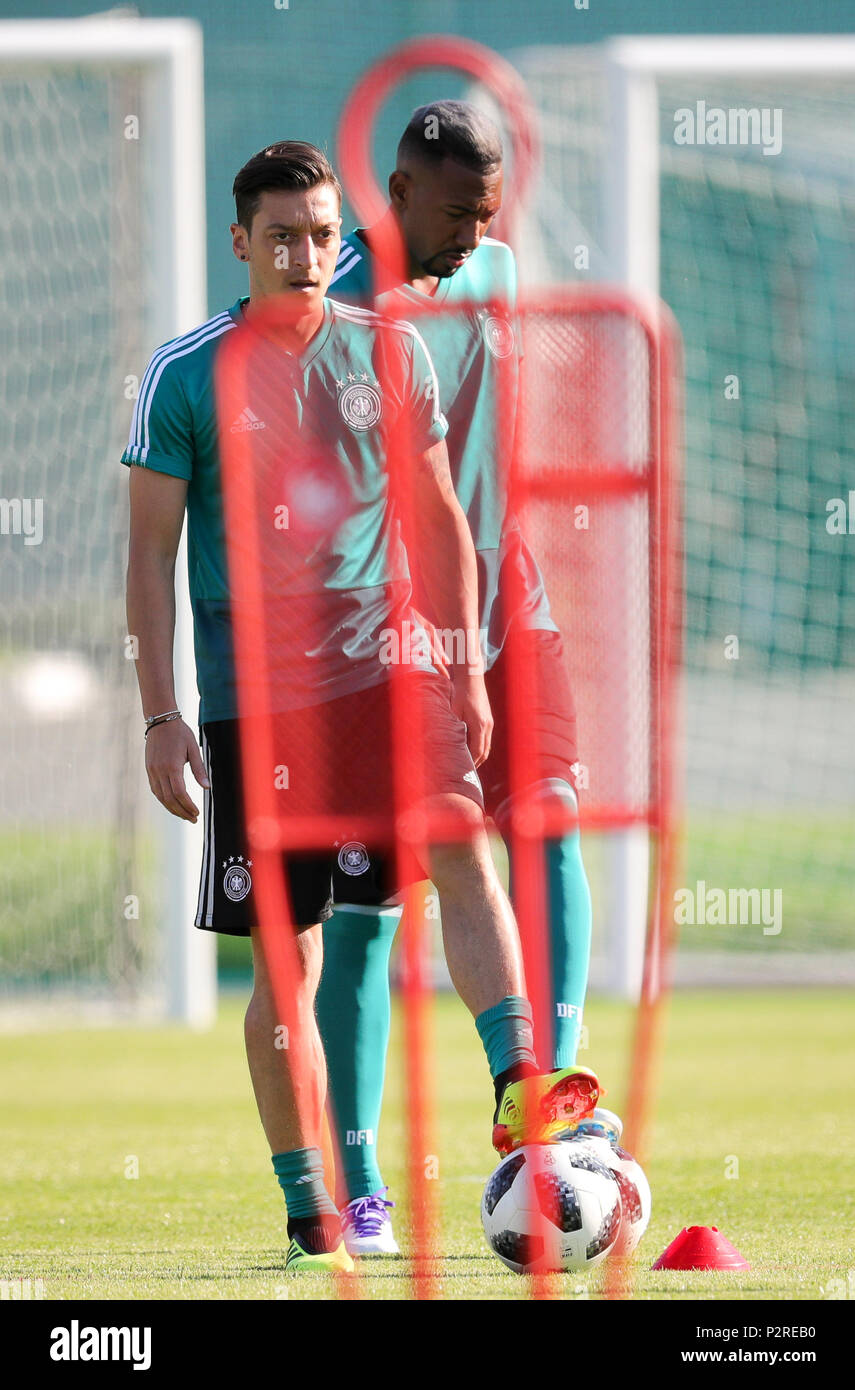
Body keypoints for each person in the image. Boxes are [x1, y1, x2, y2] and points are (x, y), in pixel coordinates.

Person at [122, 141, 599, 1274]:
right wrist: (159, 712)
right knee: (283, 967)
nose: (304, 255)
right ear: (239, 242)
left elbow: (434, 518)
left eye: (321, 236)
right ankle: (309, 1210)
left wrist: (464, 669)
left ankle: (518, 1079)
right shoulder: (187, 373)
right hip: (256, 710)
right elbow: (148, 557)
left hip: (384, 673)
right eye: (281, 235)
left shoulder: (386, 355)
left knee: (460, 844)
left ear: (344, 241)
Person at [319, 102, 602, 1256]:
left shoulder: (496, 265)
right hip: (380, 630)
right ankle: (357, 1177)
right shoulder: (332, 302)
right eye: (451, 211)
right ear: (397, 189)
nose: (470, 231)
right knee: (371, 905)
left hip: (504, 604)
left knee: (551, 820)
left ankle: (555, 1115)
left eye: (486, 211)